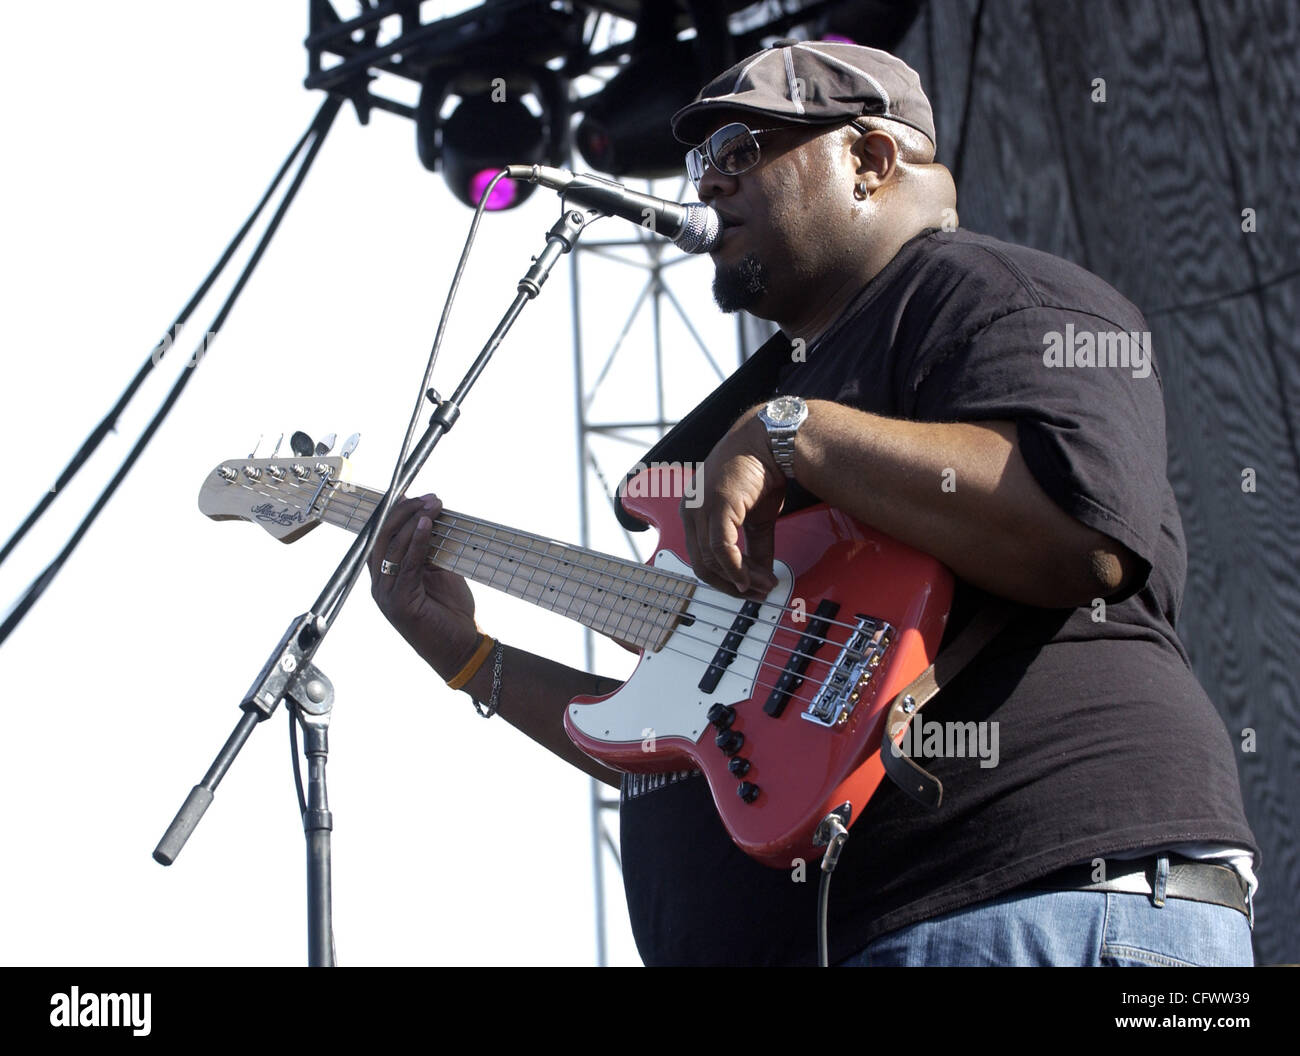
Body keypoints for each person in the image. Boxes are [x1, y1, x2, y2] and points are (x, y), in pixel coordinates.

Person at [369, 41, 1258, 966]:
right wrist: (471, 659)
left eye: (741, 152)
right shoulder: (755, 404)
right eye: (699, 164)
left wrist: (793, 432)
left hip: (1047, 904)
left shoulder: (990, 296)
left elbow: (1082, 538)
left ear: (869, 161)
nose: (708, 187)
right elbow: (702, 739)